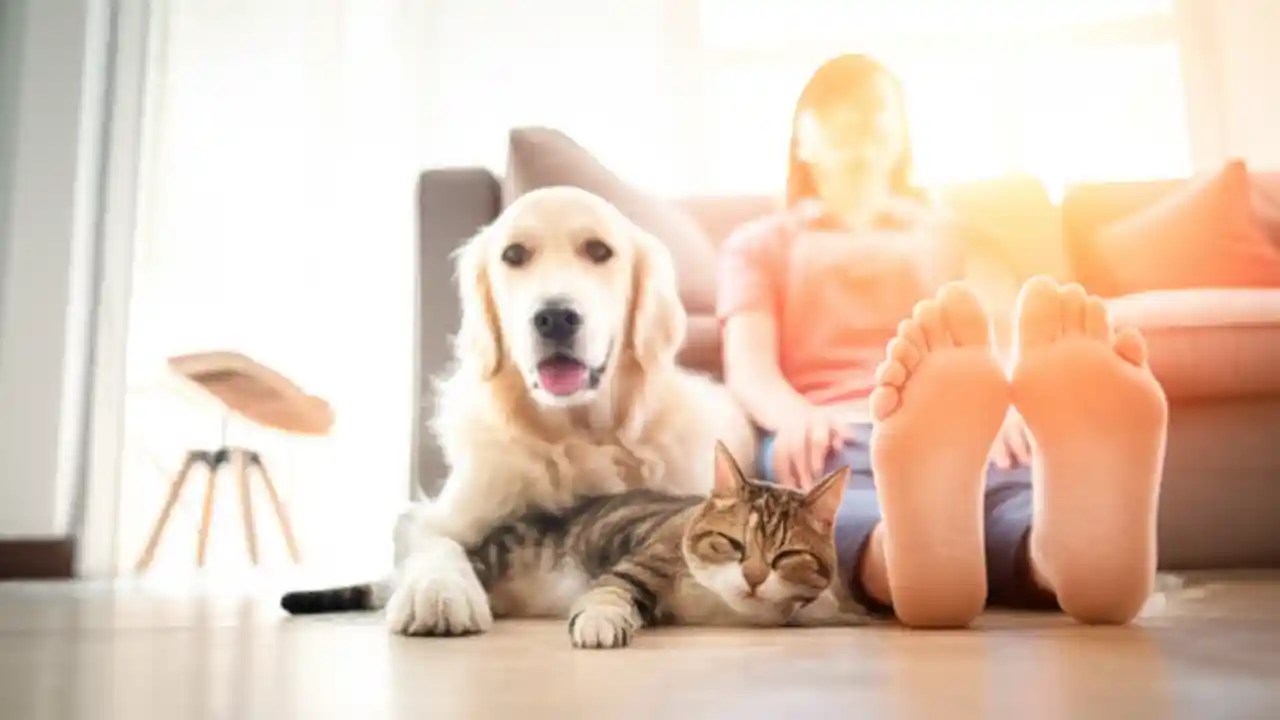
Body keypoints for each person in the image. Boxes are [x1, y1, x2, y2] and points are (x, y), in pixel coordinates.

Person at [717, 53, 1168, 627]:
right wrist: (793, 417)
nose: (857, 120)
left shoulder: (951, 234)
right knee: (820, 514)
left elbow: (1008, 329)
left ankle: (1065, 555)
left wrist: (1010, 403)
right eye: (834, 109)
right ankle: (911, 556)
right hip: (831, 435)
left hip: (976, 431)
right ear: (799, 141)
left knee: (1008, 490)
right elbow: (748, 365)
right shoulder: (759, 243)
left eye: (874, 109)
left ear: (900, 136)